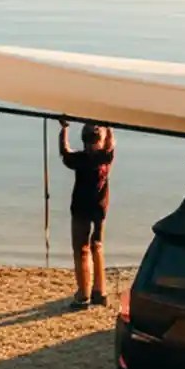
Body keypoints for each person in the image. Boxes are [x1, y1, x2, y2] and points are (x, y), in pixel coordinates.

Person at [58, 119, 115, 309]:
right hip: (100, 207)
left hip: (81, 208)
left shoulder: (81, 159)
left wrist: (64, 129)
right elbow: (110, 144)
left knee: (81, 248)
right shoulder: (105, 158)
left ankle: (83, 294)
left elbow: (65, 152)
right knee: (97, 245)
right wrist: (108, 127)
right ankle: (100, 291)